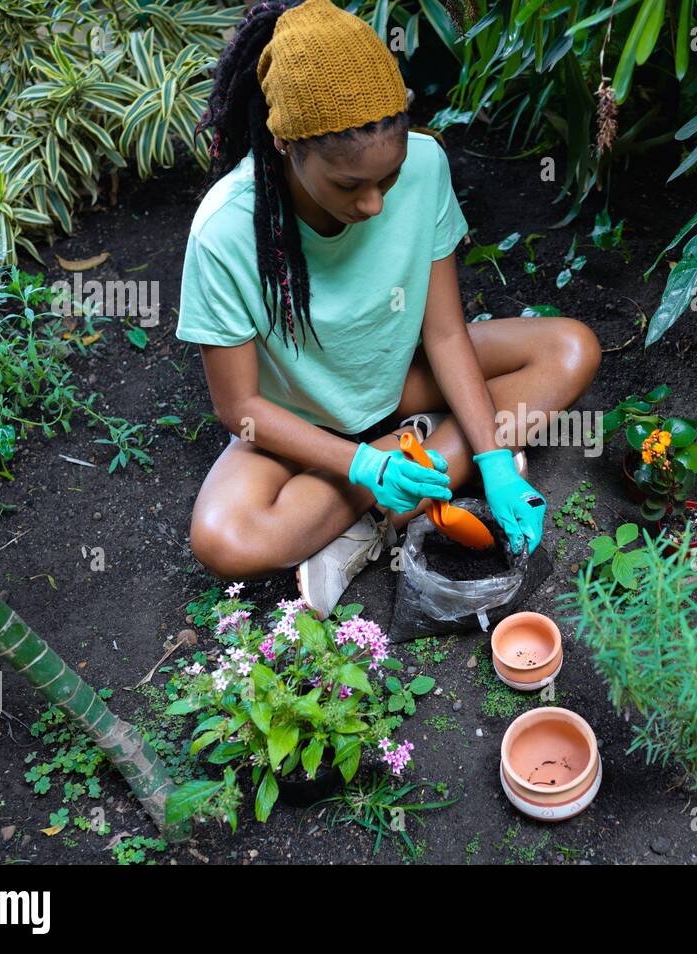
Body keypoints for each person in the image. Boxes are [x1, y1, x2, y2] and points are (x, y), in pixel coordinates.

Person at [176, 0, 600, 618]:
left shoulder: (426, 165)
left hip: (401, 377)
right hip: (301, 420)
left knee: (570, 350)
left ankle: (388, 494)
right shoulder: (226, 229)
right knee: (224, 541)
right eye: (349, 185)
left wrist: (495, 463)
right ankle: (408, 472)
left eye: (389, 178)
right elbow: (239, 408)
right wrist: (365, 464)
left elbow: (448, 336)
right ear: (284, 143)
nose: (374, 204)